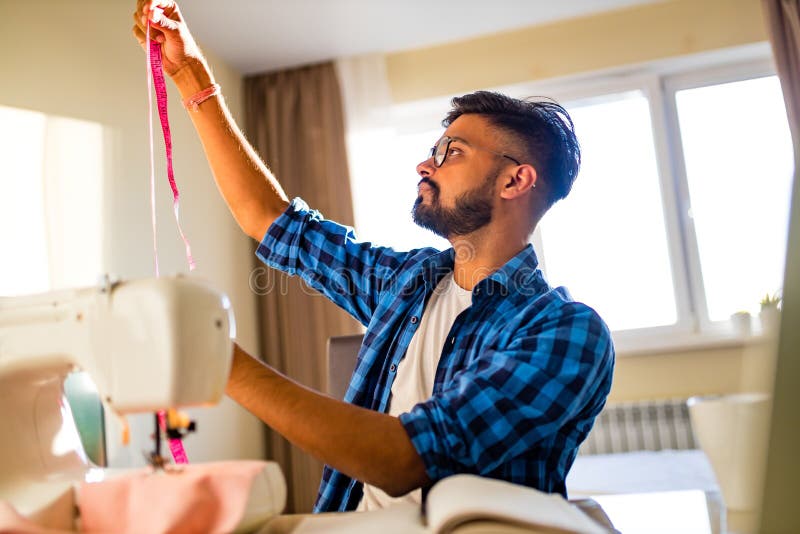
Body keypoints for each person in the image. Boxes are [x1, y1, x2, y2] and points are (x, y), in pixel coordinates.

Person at [133, 1, 615, 513]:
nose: (425, 164)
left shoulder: (566, 333)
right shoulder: (408, 282)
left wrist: (217, 360)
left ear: (516, 179)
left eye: (453, 151)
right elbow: (270, 220)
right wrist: (189, 73)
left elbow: (407, 457)